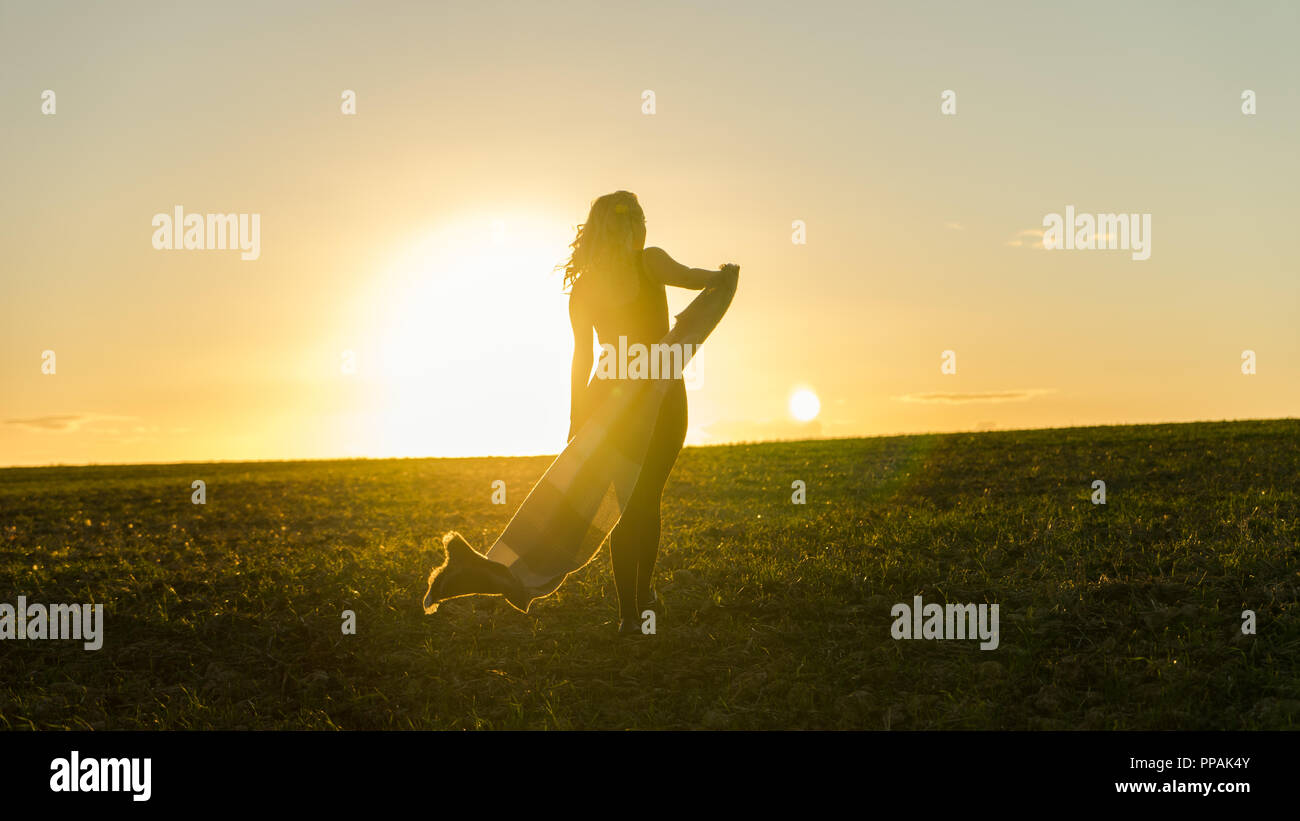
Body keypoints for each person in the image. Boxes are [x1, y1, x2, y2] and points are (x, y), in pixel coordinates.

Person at [561, 190, 739, 635]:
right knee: (643, 502)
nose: (642, 229)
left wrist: (576, 419)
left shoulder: (586, 286)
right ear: (633, 227)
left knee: (630, 503)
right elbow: (705, 280)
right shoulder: (651, 263)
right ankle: (637, 609)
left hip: (612, 396)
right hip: (660, 393)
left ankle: (633, 611)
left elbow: (582, 360)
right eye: (639, 221)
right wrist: (727, 274)